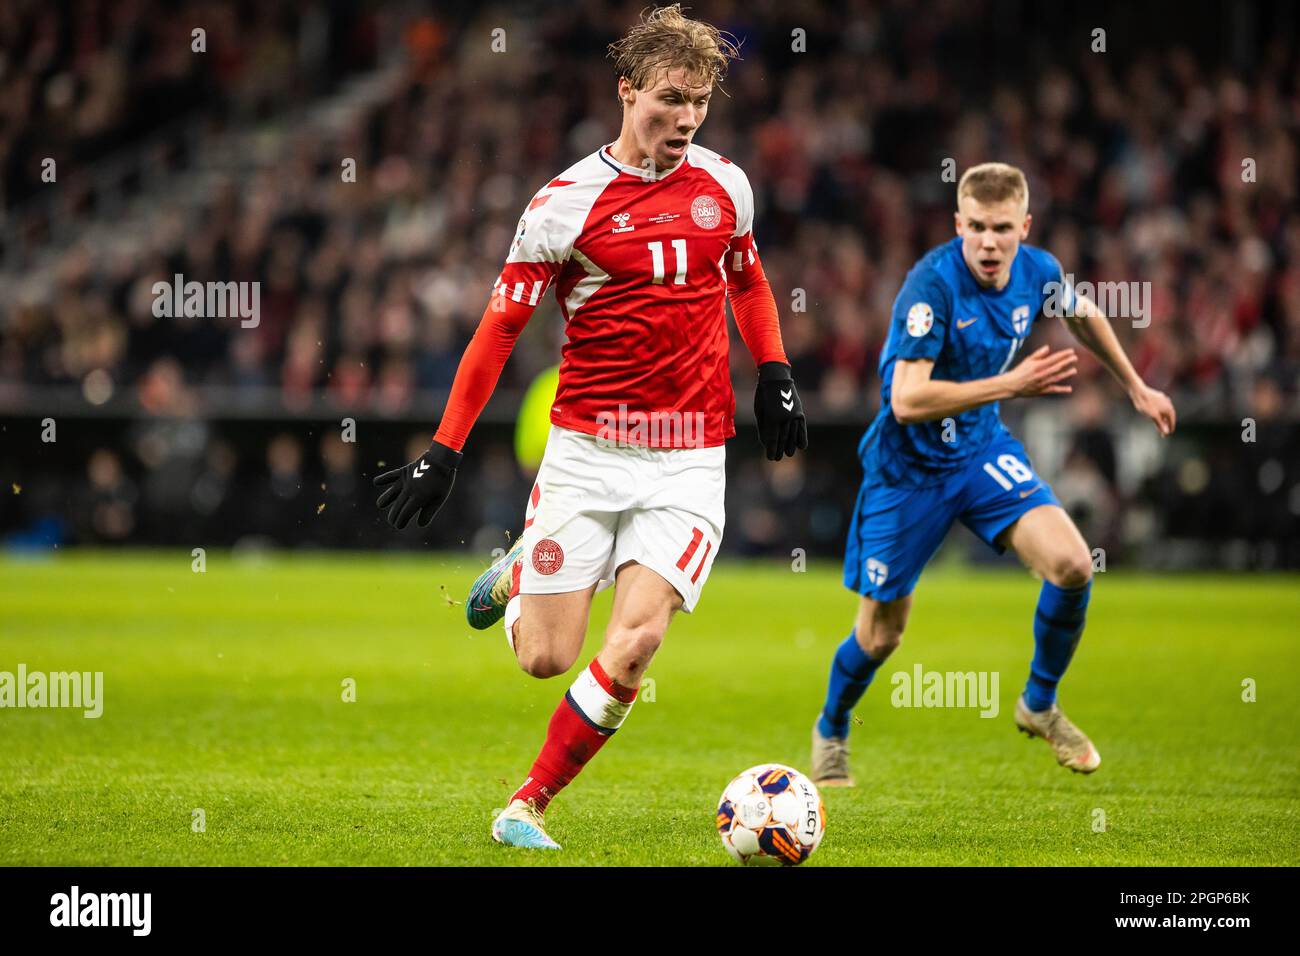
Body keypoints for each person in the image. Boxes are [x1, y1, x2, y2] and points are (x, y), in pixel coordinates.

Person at [372, 4, 807, 849]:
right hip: (586, 451)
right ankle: (515, 581)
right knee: (545, 657)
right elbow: (498, 331)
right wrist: (444, 451)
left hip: (688, 459)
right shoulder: (563, 206)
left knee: (638, 642)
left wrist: (776, 373)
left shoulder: (727, 186)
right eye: (668, 100)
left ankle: (526, 803)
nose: (683, 120)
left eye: (699, 104)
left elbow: (748, 282)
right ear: (627, 89)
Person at [811, 162, 1176, 786]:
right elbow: (906, 399)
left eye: (1002, 228)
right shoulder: (930, 286)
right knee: (881, 635)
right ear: (958, 224)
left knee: (1073, 565)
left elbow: (1082, 311)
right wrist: (1011, 384)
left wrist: (1136, 386)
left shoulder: (1037, 271)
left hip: (979, 453)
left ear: (1024, 227)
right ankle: (832, 728)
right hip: (908, 471)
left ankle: (1038, 704)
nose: (988, 241)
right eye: (976, 226)